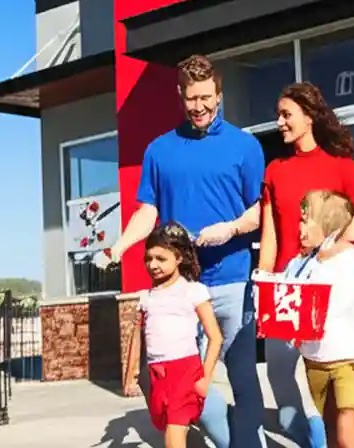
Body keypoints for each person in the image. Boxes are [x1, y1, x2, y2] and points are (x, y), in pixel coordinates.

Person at [96, 54, 267, 448]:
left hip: (231, 280)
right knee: (189, 382)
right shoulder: (159, 150)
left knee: (242, 377)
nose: (200, 106)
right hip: (180, 290)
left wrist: (232, 228)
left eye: (207, 97)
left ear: (220, 94)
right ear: (180, 95)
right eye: (192, 98)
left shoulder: (245, 146)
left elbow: (261, 212)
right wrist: (119, 248)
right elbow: (148, 211)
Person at [256, 82, 354, 448]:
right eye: (278, 115)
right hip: (286, 287)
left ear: (309, 117)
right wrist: (265, 285)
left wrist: (338, 257)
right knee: (280, 374)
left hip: (329, 288)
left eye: (286, 114)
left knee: (329, 376)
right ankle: (312, 436)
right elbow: (271, 234)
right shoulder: (275, 170)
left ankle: (325, 437)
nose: (279, 122)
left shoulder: (343, 168)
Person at [281, 190, 354, 448]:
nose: (300, 227)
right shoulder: (298, 265)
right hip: (314, 357)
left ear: (328, 225)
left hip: (349, 357)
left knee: (346, 414)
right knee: (329, 420)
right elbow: (285, 308)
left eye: (307, 221)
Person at [124, 223, 223, 448]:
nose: (153, 265)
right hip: (157, 374)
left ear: (178, 257)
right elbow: (136, 337)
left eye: (161, 258)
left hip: (185, 372)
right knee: (166, 427)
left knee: (174, 435)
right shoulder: (146, 297)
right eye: (149, 259)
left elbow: (215, 337)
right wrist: (130, 374)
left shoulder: (192, 291)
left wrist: (205, 378)